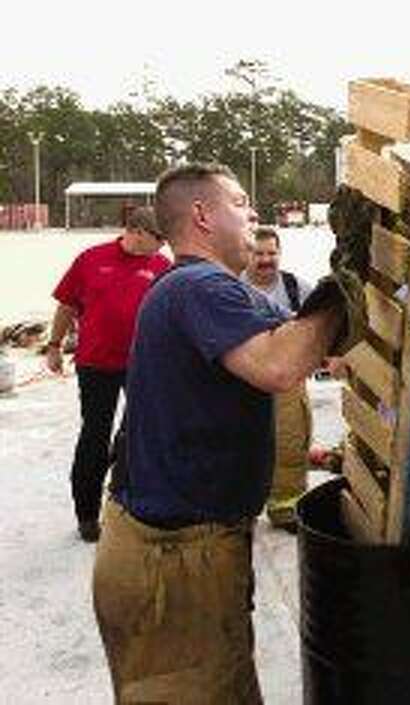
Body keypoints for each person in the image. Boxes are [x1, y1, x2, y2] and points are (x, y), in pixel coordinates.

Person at [91, 163, 353, 703]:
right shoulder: (198, 284)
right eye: (240, 203)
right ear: (202, 216)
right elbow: (279, 365)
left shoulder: (194, 288)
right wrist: (344, 287)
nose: (253, 214)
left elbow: (285, 332)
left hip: (177, 553)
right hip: (175, 563)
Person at [46, 206, 170, 542]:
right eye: (159, 239)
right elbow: (66, 304)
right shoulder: (91, 259)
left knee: (141, 432)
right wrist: (54, 345)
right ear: (138, 231)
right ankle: (86, 512)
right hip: (96, 364)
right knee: (94, 435)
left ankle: (135, 502)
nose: (163, 246)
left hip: (142, 364)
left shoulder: (161, 266)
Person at [241, 226, 314, 531]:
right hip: (242, 379)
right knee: (239, 446)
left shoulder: (296, 286)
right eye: (258, 253)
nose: (266, 259)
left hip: (288, 380)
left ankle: (286, 508)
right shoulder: (231, 286)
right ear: (248, 255)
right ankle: (240, 510)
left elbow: (322, 321)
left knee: (290, 443)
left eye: (272, 253)